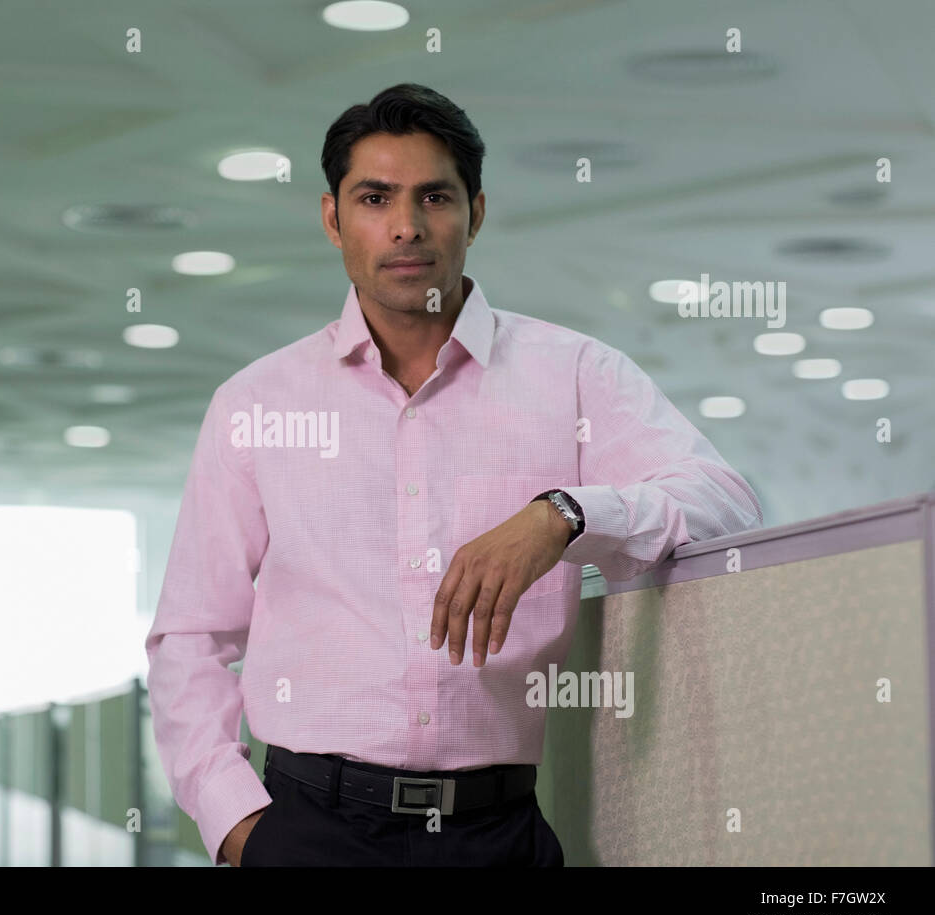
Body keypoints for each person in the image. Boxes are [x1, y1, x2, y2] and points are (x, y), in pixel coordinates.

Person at [144, 83, 763, 866]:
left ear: (474, 212)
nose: (406, 226)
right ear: (333, 218)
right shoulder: (256, 403)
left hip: (497, 833)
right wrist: (238, 828)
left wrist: (561, 516)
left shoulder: (573, 375)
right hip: (309, 830)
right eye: (375, 198)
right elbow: (192, 637)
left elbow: (726, 505)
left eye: (433, 196)